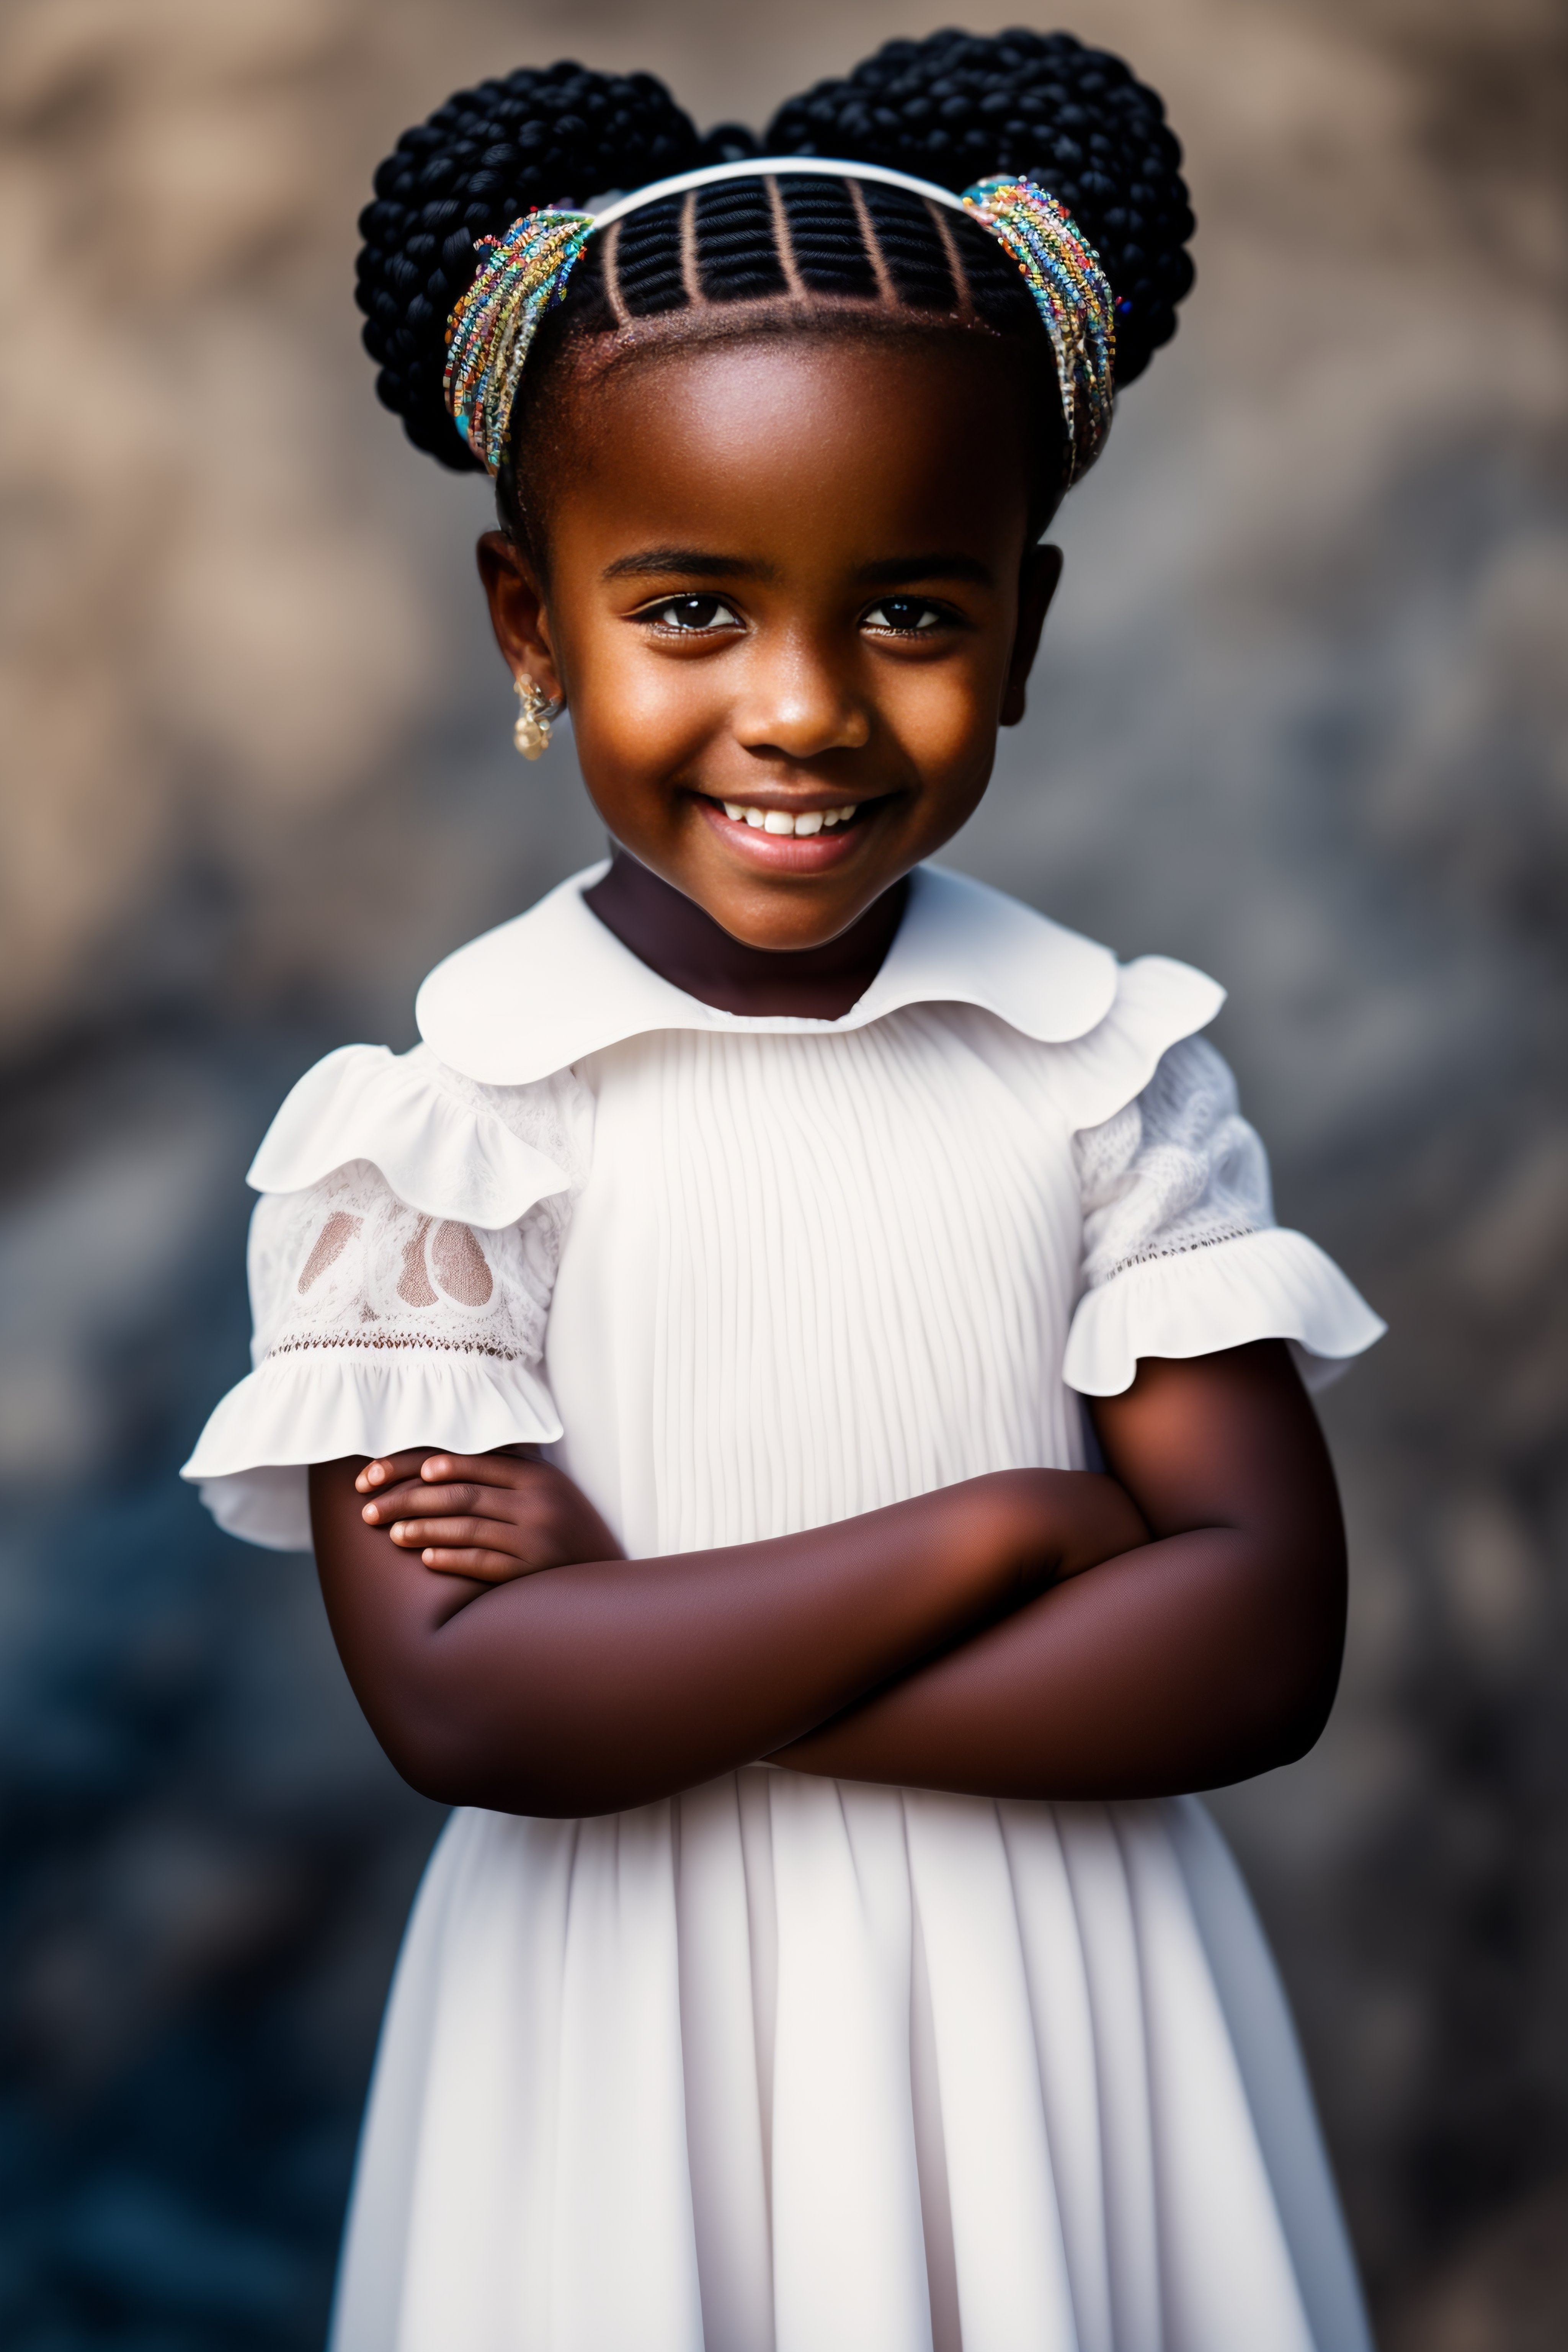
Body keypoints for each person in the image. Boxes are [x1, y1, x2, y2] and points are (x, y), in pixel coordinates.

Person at [184, 29, 1387, 2351]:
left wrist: (660, 1627)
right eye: (693, 610)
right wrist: (1005, 1532)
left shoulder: (1099, 1073)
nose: (808, 707)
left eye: (912, 614)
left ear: (1023, 630)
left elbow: (1258, 1649)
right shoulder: (438, 1136)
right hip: (623, 2035)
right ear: (535, 626)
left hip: (1067, 2007)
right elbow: (480, 1714)